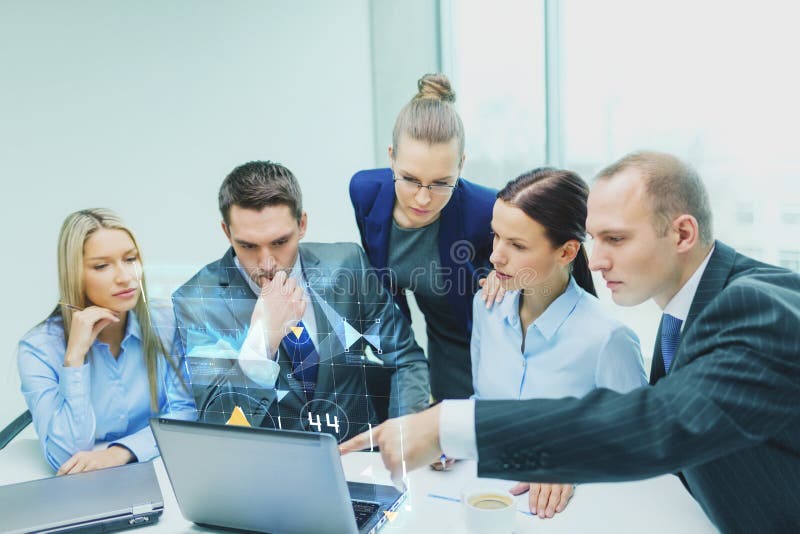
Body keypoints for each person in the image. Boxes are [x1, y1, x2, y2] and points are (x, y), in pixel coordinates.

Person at [342, 151, 800, 532]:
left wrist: (449, 425)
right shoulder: (681, 316)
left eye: (615, 239)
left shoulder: (753, 308)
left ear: (682, 233)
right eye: (595, 238)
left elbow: (658, 421)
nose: (596, 261)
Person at [172, 161, 430, 442]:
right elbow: (218, 421)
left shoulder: (348, 266)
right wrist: (262, 342)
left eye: (280, 242)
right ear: (226, 232)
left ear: (302, 224)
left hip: (360, 465)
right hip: (270, 474)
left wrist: (406, 438)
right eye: (248, 245)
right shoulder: (197, 301)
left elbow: (405, 359)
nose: (267, 262)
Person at [471, 167, 647, 517]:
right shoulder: (486, 308)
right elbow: (483, 403)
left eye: (517, 245)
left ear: (566, 253)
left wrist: (571, 461)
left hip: (569, 515)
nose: (495, 257)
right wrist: (446, 437)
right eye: (496, 237)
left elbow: (639, 441)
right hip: (485, 497)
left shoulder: (607, 339)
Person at [349, 73, 498, 401]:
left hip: (484, 336)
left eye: (442, 182)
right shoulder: (365, 193)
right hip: (438, 332)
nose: (422, 198)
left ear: (461, 165)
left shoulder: (486, 207)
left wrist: (501, 273)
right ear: (391, 157)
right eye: (410, 179)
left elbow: (525, 250)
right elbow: (384, 279)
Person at [17, 209, 197, 474]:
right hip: (85, 486)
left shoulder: (167, 322)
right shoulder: (38, 349)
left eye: (131, 259)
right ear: (74, 274)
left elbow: (186, 414)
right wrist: (74, 359)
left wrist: (121, 452)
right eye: (102, 266)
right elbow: (64, 457)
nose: (125, 276)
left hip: (161, 468)